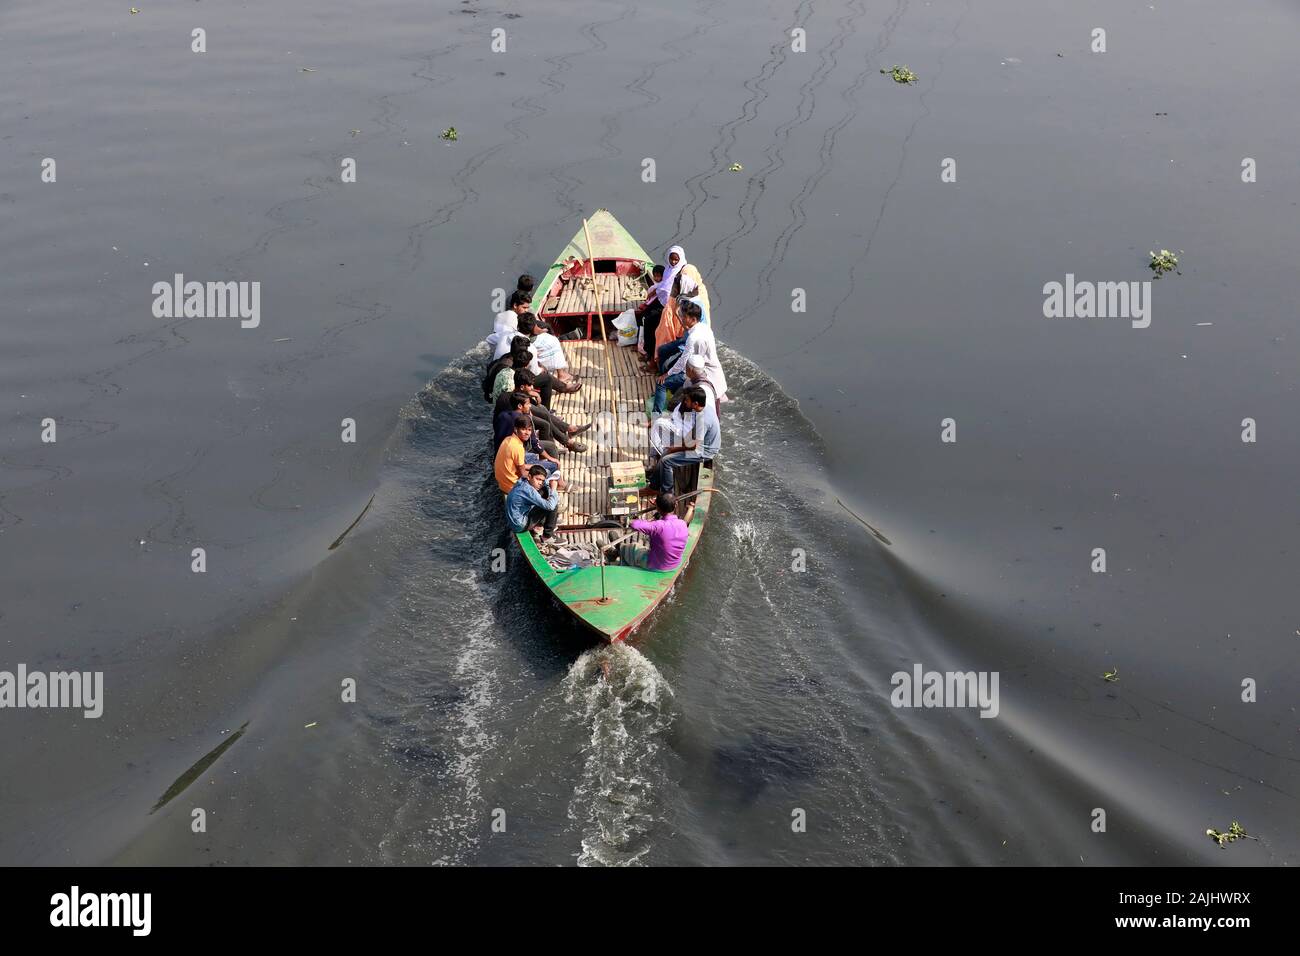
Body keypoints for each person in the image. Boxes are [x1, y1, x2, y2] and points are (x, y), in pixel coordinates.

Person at [493, 372, 590, 452]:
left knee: (543, 412)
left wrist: (532, 395)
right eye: (530, 386)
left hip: (518, 421)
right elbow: (525, 428)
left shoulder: (518, 397)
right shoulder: (512, 405)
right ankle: (560, 444)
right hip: (513, 439)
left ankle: (567, 432)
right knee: (544, 424)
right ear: (522, 387)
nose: (532, 387)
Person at [660, 296, 727, 406]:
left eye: (684, 317)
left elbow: (683, 362)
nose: (681, 319)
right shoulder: (705, 328)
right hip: (713, 376)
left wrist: (667, 375)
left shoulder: (693, 337)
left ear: (693, 319)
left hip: (703, 376)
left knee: (668, 391)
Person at [650, 385, 719, 492]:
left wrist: (675, 449)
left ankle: (667, 494)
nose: (685, 402)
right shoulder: (703, 409)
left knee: (666, 461)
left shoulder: (703, 420)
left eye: (687, 400)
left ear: (695, 403)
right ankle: (654, 486)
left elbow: (693, 447)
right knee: (666, 453)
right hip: (696, 442)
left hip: (704, 451)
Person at [612, 492, 688, 571]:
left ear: (657, 508)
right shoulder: (682, 523)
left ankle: (617, 551)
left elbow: (636, 524)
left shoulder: (657, 526)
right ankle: (616, 553)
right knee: (644, 549)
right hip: (675, 564)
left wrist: (627, 520)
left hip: (657, 566)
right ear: (675, 505)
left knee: (632, 548)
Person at [495, 415, 565, 493]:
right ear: (515, 429)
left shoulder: (508, 439)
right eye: (523, 429)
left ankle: (554, 480)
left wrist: (534, 466)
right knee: (553, 467)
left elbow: (518, 465)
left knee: (532, 456)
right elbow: (523, 474)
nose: (527, 433)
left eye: (529, 430)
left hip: (503, 483)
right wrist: (541, 472)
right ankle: (557, 485)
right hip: (513, 485)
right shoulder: (517, 447)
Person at [505, 465, 560, 539]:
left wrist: (546, 483)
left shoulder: (522, 480)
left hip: (514, 521)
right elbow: (550, 506)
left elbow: (543, 483)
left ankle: (542, 523)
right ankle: (547, 536)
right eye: (538, 479)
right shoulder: (528, 490)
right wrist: (553, 489)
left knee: (544, 491)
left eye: (542, 480)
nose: (540, 483)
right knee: (553, 506)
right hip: (520, 525)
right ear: (529, 477)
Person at [637, 264, 666, 359]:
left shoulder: (660, 288)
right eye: (655, 276)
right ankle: (643, 346)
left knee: (648, 324)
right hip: (657, 308)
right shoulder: (659, 287)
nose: (657, 278)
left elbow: (650, 300)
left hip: (659, 310)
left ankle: (648, 351)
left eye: (659, 276)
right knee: (644, 320)